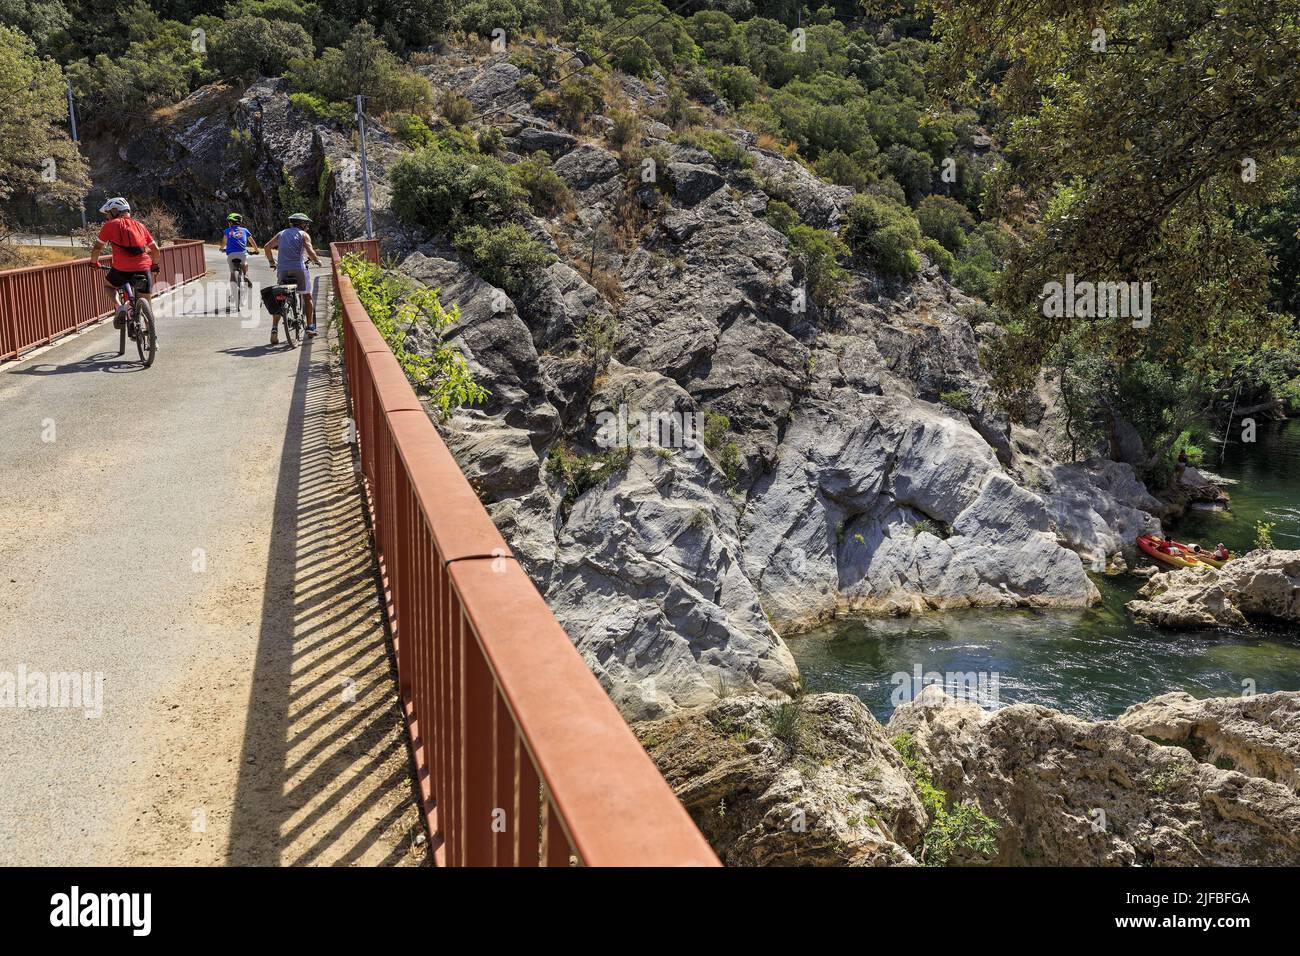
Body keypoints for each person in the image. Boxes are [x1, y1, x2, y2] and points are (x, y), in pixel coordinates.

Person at [88, 198, 161, 328]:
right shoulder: (140, 226)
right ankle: (152, 339)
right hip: (143, 268)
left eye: (108, 213)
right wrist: (154, 265)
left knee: (108, 286)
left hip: (121, 269)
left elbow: (97, 249)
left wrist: (94, 263)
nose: (107, 217)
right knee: (146, 305)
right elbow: (155, 250)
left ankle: (119, 307)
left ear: (115, 211)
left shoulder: (110, 225)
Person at [264, 212, 322, 344]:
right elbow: (309, 250)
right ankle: (310, 327)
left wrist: (272, 262)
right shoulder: (303, 235)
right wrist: (317, 260)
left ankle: (274, 329)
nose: (307, 226)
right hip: (298, 269)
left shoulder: (281, 234)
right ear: (302, 224)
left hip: (282, 270)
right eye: (306, 224)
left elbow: (267, 247)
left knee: (281, 297)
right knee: (307, 296)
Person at [221, 213, 257, 299]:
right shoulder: (245, 230)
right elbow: (252, 241)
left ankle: (233, 291)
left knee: (232, 273)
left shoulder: (227, 231)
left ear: (231, 222)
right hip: (242, 254)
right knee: (245, 264)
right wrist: (256, 250)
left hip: (231, 255)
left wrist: (221, 248)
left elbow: (224, 242)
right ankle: (246, 276)